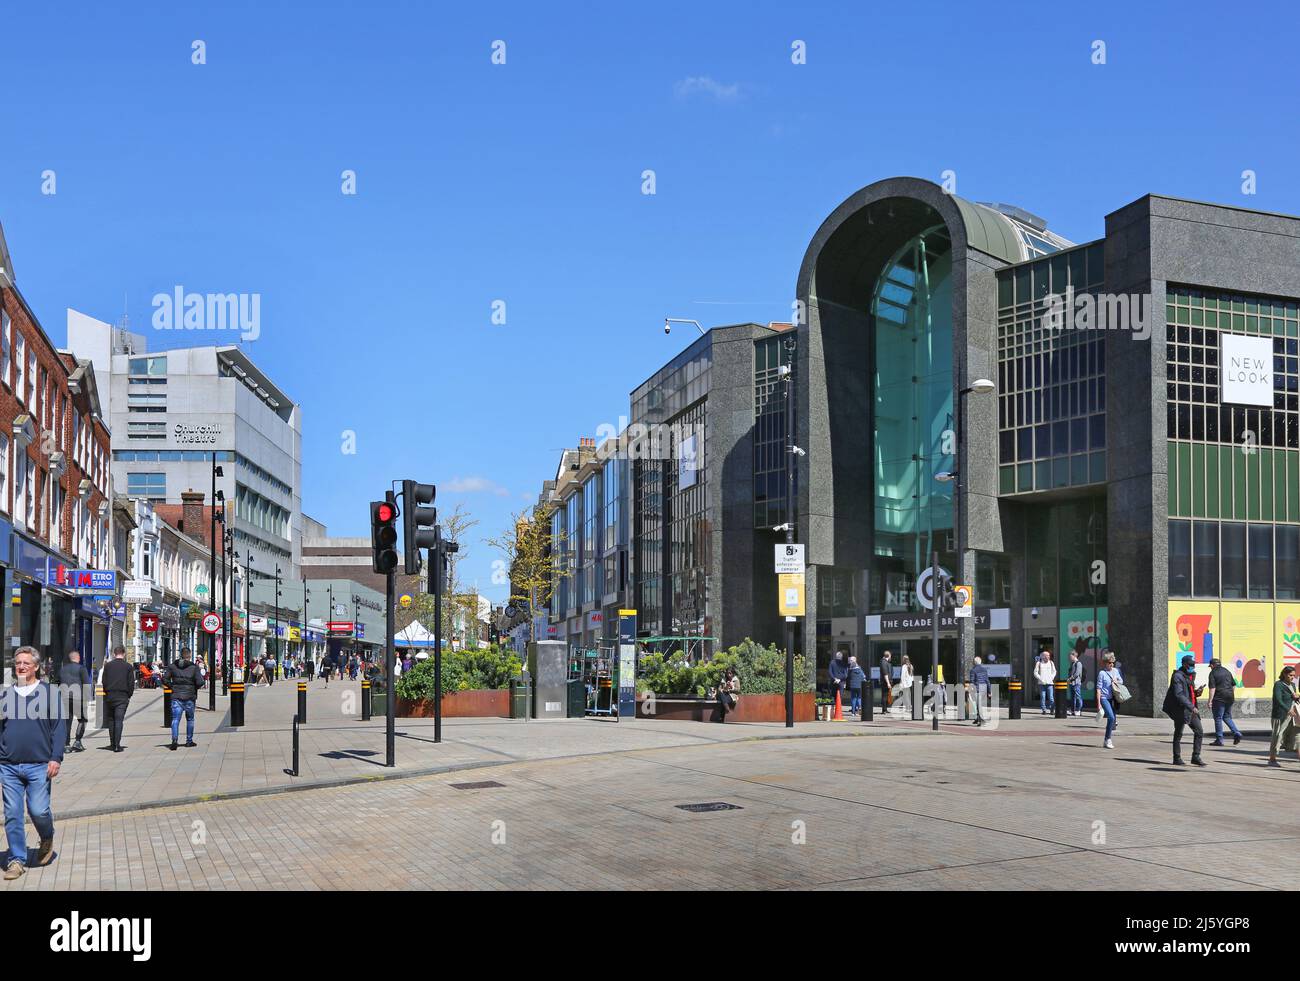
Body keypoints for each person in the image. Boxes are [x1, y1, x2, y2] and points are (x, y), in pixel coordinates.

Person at [0, 646, 64, 879]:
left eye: (26, 663)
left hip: (39, 764)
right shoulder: (5, 695)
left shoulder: (49, 693)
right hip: (8, 765)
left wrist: (56, 758)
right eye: (18, 663)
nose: (21, 667)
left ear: (36, 666)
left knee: (38, 810)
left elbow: (59, 729)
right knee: (13, 813)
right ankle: (16, 860)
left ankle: (47, 836)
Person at [1162, 654, 1206, 766]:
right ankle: (1176, 758)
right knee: (1178, 733)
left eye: (1193, 665)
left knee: (1199, 731)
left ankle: (1196, 756)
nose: (1193, 667)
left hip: (1190, 709)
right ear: (1184, 664)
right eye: (1191, 665)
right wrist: (1191, 707)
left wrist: (1197, 693)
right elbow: (1179, 694)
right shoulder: (1177, 676)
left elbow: (1189, 693)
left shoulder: (1190, 675)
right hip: (1180, 709)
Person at [163, 647, 204, 751]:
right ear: (189, 655)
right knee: (190, 719)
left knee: (175, 719)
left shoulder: (172, 666)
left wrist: (172, 686)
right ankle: (189, 741)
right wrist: (194, 687)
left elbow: (164, 679)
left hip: (176, 696)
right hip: (190, 696)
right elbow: (200, 682)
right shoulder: (194, 667)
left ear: (180, 654)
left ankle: (174, 740)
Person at [101, 646, 135, 753]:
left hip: (110, 696)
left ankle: (112, 743)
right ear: (124, 654)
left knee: (111, 720)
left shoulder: (108, 666)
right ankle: (117, 745)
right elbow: (131, 683)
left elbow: (104, 681)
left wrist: (106, 692)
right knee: (119, 720)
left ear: (114, 654)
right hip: (122, 696)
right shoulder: (128, 666)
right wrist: (128, 695)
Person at [1205, 658, 1242, 747]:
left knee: (1218, 718)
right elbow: (1233, 685)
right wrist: (1230, 693)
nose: (1210, 668)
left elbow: (1212, 688)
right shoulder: (1227, 671)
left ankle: (1219, 739)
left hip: (1219, 698)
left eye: (1211, 666)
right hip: (1230, 697)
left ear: (1213, 665)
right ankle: (1236, 732)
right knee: (1227, 716)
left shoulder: (1213, 673)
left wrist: (1210, 701)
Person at [1268, 666, 1300, 767]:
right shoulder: (1278, 685)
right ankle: (1272, 759)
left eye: (1294, 676)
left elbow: (1293, 698)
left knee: (1297, 734)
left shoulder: (1293, 685)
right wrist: (1287, 709)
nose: (1292, 677)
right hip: (1280, 715)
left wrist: (1295, 696)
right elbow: (1278, 699)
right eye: (1290, 675)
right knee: (1277, 735)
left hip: (1293, 715)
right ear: (1285, 674)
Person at [58, 651, 89, 753]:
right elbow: (86, 684)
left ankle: (66, 745)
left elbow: (58, 682)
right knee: (83, 719)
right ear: (78, 657)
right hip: (78, 698)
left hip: (64, 698)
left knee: (67, 722)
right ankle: (77, 741)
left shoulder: (63, 669)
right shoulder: (81, 668)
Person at [1096, 652, 1122, 749]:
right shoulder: (1102, 673)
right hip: (1104, 698)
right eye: (1109, 663)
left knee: (1112, 719)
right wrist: (1098, 704)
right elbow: (1098, 688)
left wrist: (1116, 681)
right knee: (1111, 717)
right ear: (1105, 663)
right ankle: (1108, 739)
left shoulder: (1115, 671)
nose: (1111, 665)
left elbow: (1121, 681)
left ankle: (1106, 740)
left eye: (1112, 663)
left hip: (1113, 698)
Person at [969, 656, 991, 726]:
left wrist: (970, 689)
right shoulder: (984, 670)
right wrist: (989, 691)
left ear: (974, 662)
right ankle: (978, 719)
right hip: (984, 689)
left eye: (973, 661)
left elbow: (972, 681)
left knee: (978, 705)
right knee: (978, 704)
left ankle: (982, 720)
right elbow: (987, 681)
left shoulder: (973, 670)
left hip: (977, 690)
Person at [1034, 650, 1056, 714]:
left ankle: (1052, 710)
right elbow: (1035, 673)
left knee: (1051, 697)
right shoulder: (1039, 663)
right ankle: (1044, 710)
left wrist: (1052, 677)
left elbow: (1054, 671)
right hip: (1042, 683)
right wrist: (1040, 679)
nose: (1048, 656)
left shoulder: (1051, 663)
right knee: (1043, 697)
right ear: (1042, 656)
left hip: (1050, 683)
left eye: (1048, 655)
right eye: (1046, 655)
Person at [1066, 651, 1084, 717]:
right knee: (1073, 697)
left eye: (1071, 656)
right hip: (1072, 683)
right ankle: (1072, 710)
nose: (1070, 658)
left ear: (1074, 656)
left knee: (1078, 696)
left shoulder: (1078, 663)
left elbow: (1077, 673)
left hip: (1076, 683)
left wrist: (1070, 678)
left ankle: (1079, 710)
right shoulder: (1073, 663)